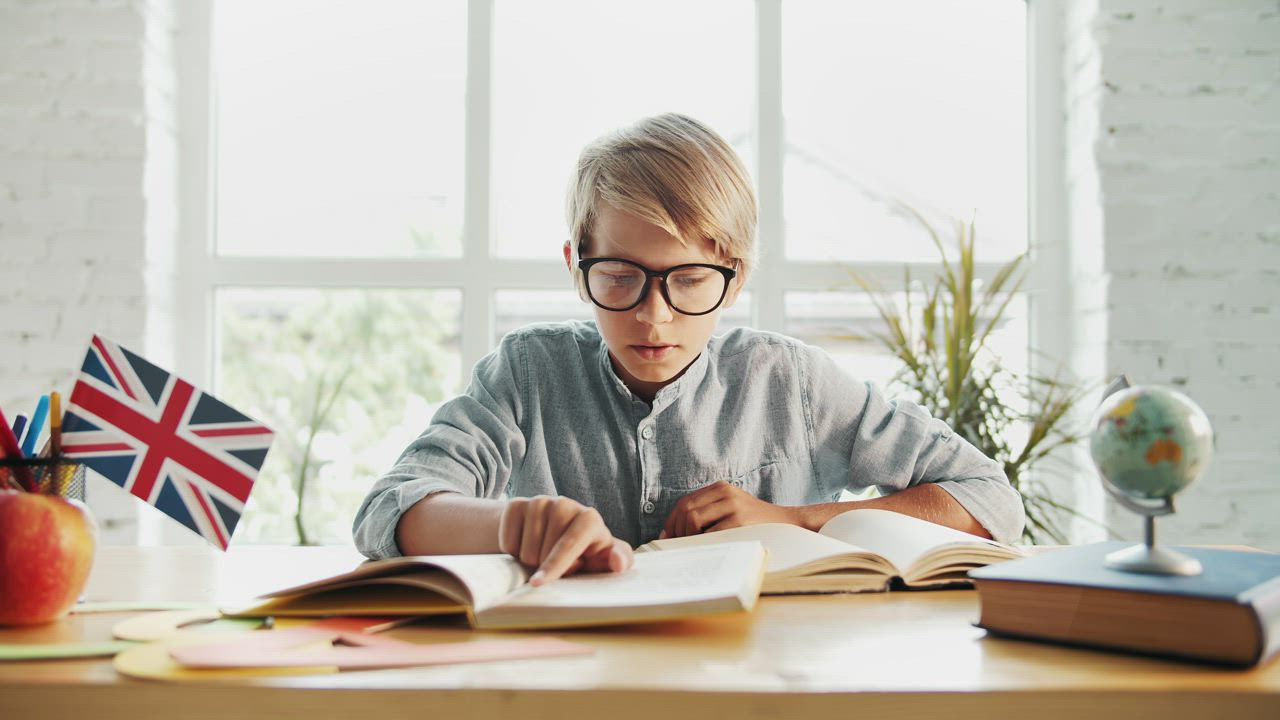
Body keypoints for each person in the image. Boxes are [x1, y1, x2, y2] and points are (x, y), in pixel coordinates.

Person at [352, 113, 1024, 585]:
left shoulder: (790, 381)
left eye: (690, 280)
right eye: (619, 277)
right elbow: (390, 509)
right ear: (573, 264)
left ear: (736, 278)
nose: (653, 315)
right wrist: (513, 525)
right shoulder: (528, 373)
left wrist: (795, 520)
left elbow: (988, 497)